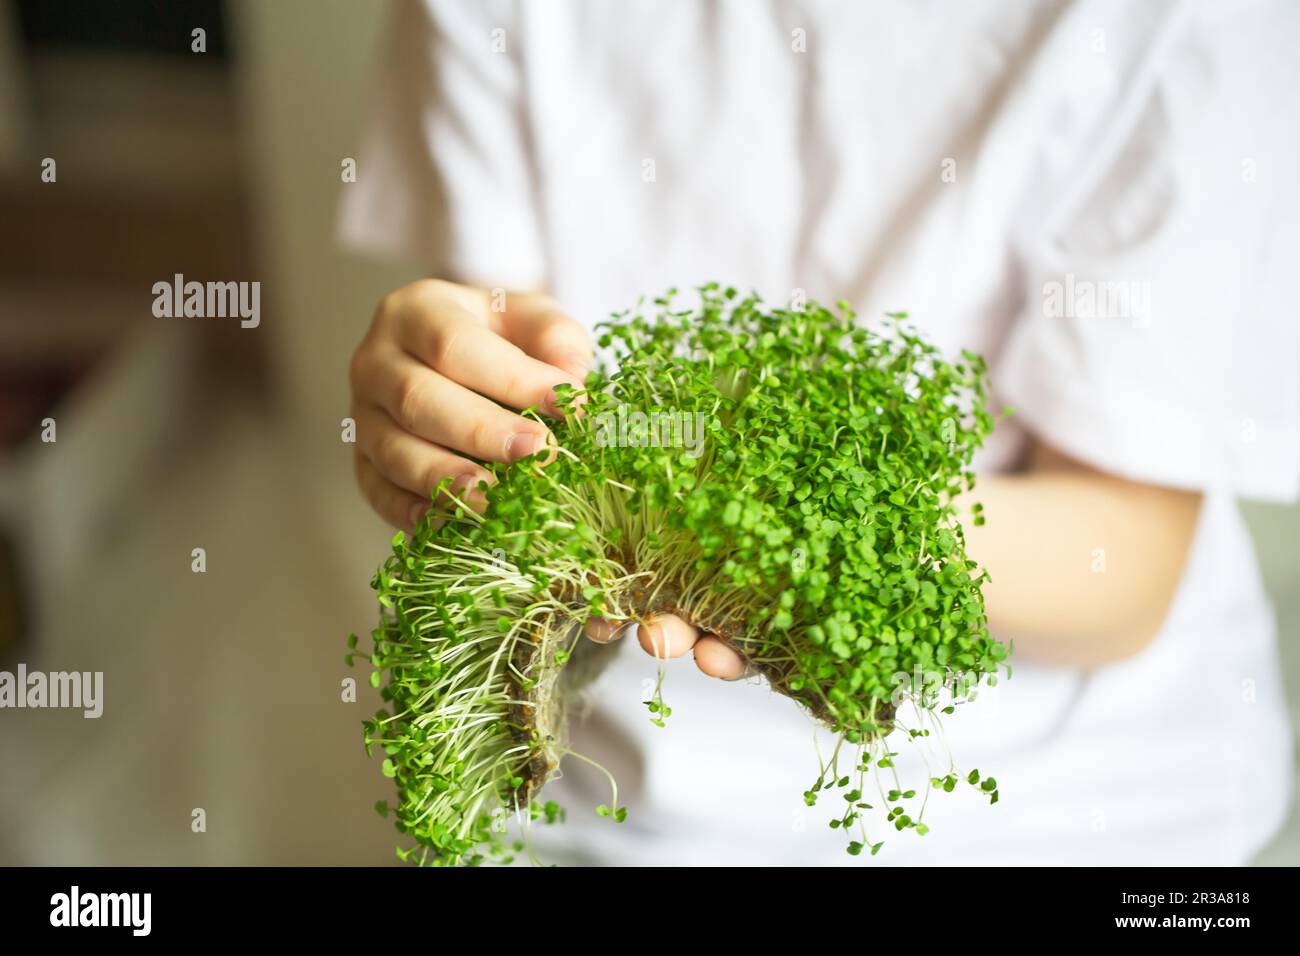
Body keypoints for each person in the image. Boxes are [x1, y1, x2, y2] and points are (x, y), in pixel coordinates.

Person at [338, 0, 1298, 864]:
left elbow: (1119, 562)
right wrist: (455, 390)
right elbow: (519, 361)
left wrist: (755, 535)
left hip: (1067, 809)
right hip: (611, 798)